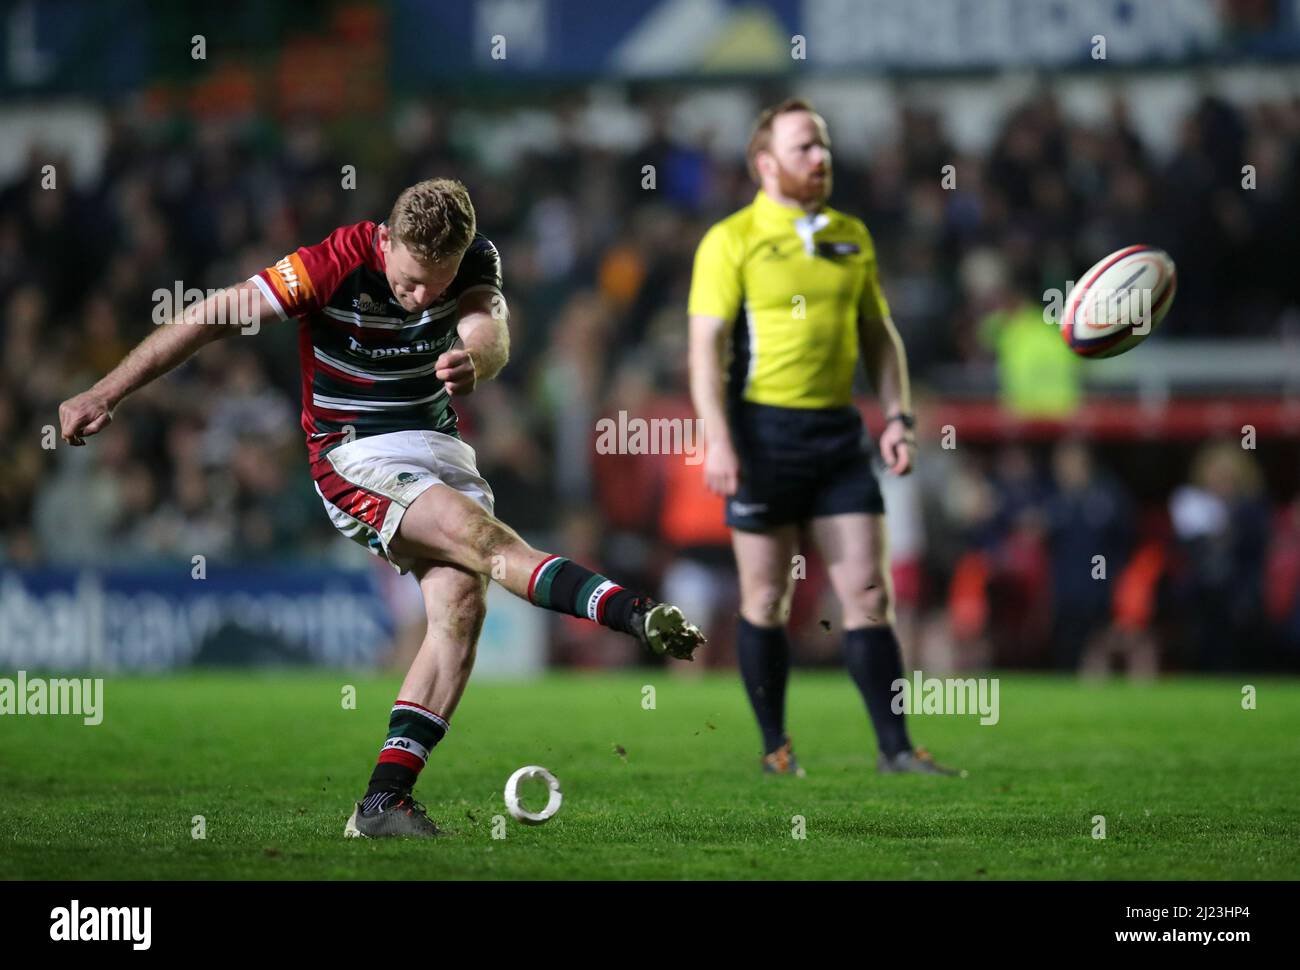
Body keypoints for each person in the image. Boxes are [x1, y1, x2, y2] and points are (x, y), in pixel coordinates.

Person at [58, 178, 705, 838]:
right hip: (355, 453)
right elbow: (213, 316)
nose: (422, 297)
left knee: (460, 608)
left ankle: (382, 803)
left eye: (437, 284)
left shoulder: (475, 260)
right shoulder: (330, 265)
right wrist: (108, 392)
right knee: (484, 543)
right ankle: (631, 611)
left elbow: (492, 330)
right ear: (387, 241)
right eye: (410, 281)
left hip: (439, 449)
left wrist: (474, 361)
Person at [687, 99, 957, 777]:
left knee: (868, 594)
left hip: (839, 434)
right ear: (765, 162)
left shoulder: (851, 236)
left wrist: (898, 416)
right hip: (761, 436)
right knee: (766, 599)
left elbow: (879, 335)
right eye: (805, 146)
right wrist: (718, 440)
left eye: (825, 145)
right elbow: (704, 351)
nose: (821, 157)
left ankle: (897, 749)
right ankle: (776, 748)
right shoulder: (732, 239)